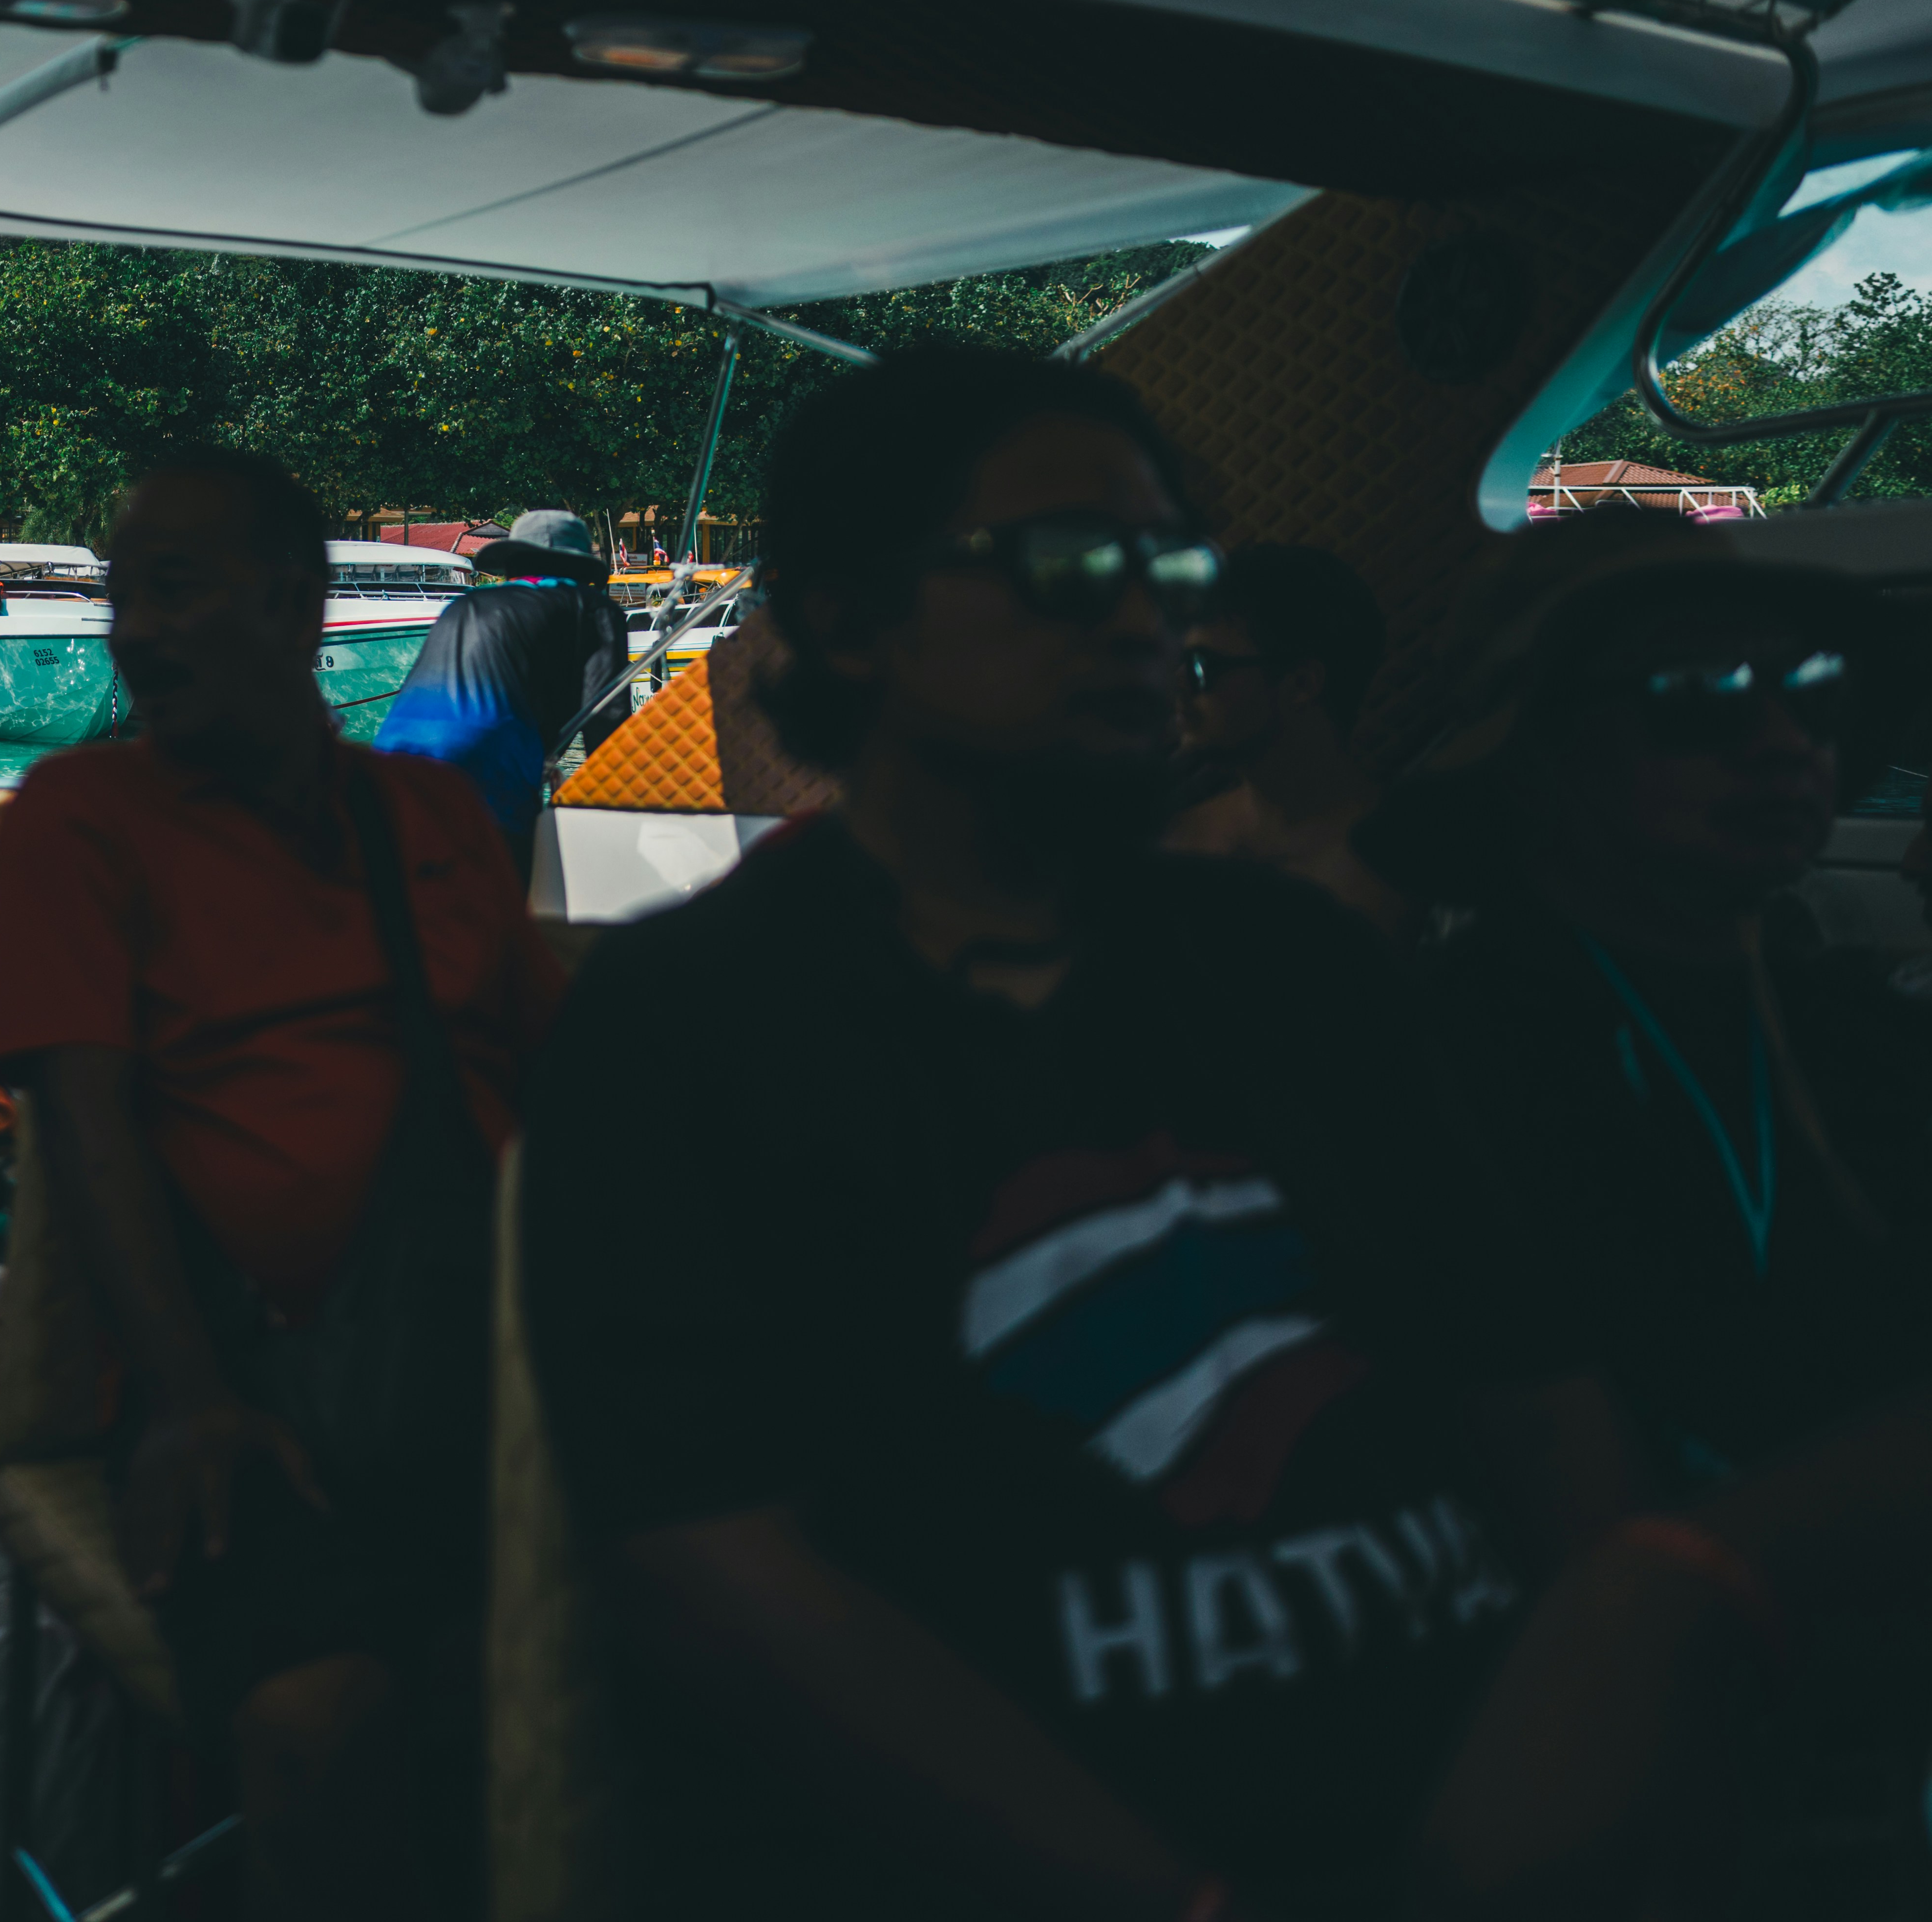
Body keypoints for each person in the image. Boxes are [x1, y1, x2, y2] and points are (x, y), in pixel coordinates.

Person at [515, 347, 1674, 1919]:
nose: (1144, 619)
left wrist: (1603, 1772)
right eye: (1069, 565)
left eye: (1170, 568)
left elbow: (1533, 1400)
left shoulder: (1303, 963)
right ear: (846, 617)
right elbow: (717, 1572)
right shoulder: (694, 1020)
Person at [0, 447, 567, 1922]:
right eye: (124, 596)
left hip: (490, 1381)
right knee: (321, 1719)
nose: (135, 632)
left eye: (175, 590)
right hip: (240, 1383)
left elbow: (564, 1086)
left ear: (299, 609)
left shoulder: (431, 820)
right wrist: (188, 1396)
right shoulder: (78, 817)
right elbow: (85, 1123)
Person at [1370, 508, 1932, 1913]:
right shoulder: (1444, 1060)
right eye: (1697, 695)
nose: (1780, 739)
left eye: (1807, 688)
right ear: (1539, 755)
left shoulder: (1862, 1038)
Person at [1165, 538, 1407, 929]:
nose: (1176, 683)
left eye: (1200, 667)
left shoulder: (1388, 879)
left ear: (1301, 685)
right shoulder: (1175, 834)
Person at [369, 506, 630, 866]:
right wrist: (623, 814)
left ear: (512, 564)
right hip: (489, 777)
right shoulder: (594, 608)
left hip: (387, 772)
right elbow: (607, 717)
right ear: (582, 568)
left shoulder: (466, 604)